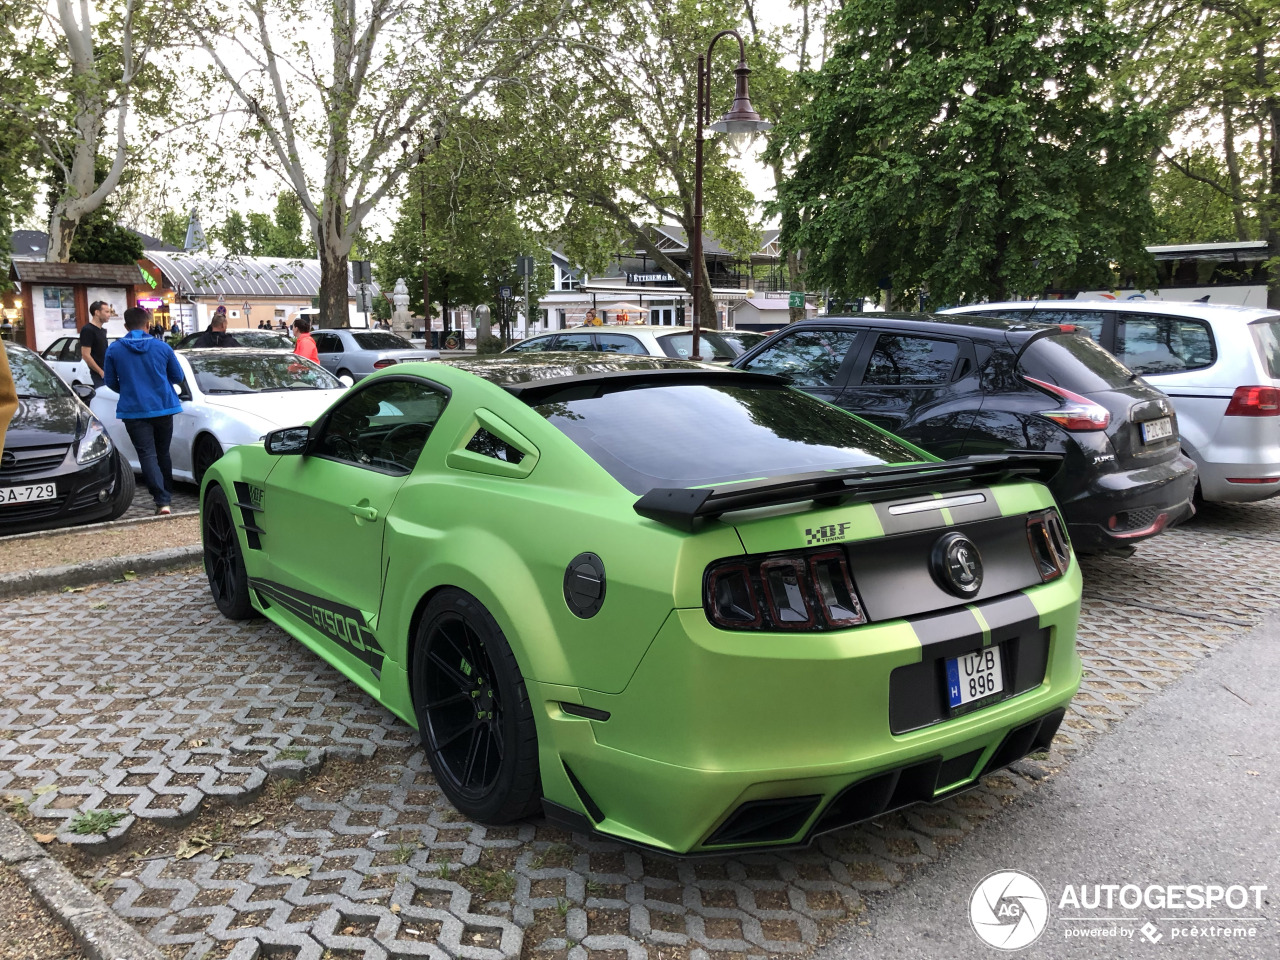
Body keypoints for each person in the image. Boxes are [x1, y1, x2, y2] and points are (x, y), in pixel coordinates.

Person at [103, 307, 184, 516]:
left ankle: (161, 500)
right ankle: (167, 495)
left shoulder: (114, 349)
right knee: (163, 452)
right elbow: (177, 376)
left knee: (147, 454)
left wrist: (129, 390)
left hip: (134, 410)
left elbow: (110, 381)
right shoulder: (162, 347)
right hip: (164, 406)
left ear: (125, 326)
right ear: (148, 325)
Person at [79, 300, 112, 386]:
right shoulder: (88, 330)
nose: (109, 315)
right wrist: (100, 372)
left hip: (107, 371)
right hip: (98, 375)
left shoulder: (102, 331)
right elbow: (86, 355)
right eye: (107, 312)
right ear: (97, 312)